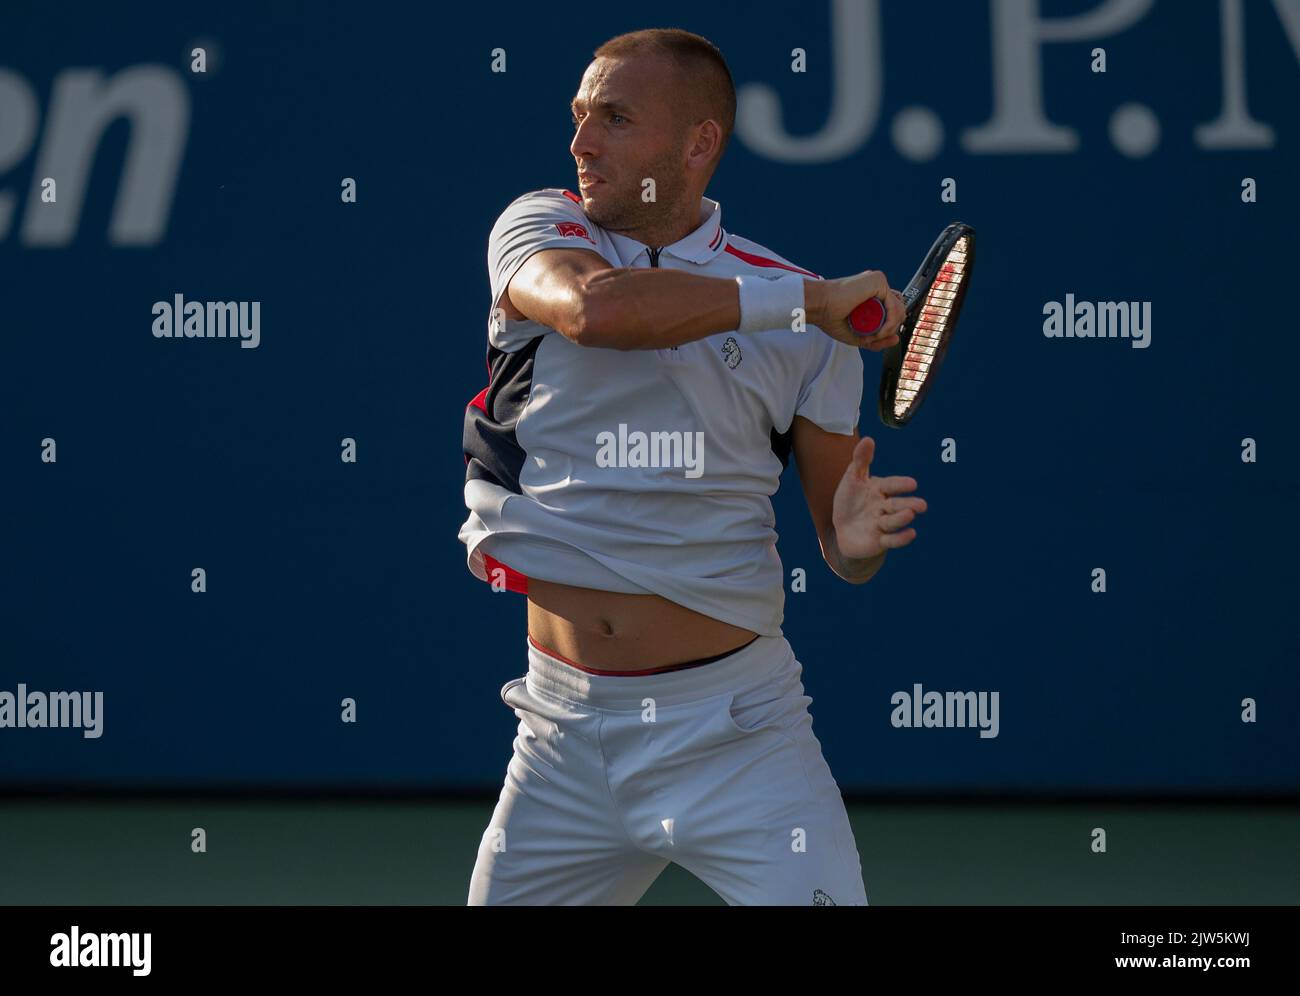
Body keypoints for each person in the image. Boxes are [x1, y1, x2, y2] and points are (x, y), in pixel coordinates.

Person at [460, 27, 926, 905]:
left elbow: (841, 547)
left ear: (698, 143)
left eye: (615, 118)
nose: (582, 142)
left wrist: (858, 539)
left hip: (740, 739)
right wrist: (811, 303)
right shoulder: (539, 225)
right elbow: (598, 312)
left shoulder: (813, 335)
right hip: (560, 737)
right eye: (579, 117)